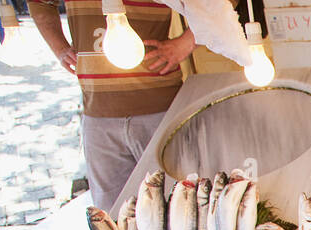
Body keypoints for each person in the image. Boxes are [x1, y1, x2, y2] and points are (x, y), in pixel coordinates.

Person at [27, 0, 251, 213]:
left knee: (179, 207)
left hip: (162, 110)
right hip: (98, 115)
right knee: (112, 215)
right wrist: (59, 48)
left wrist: (185, 42)